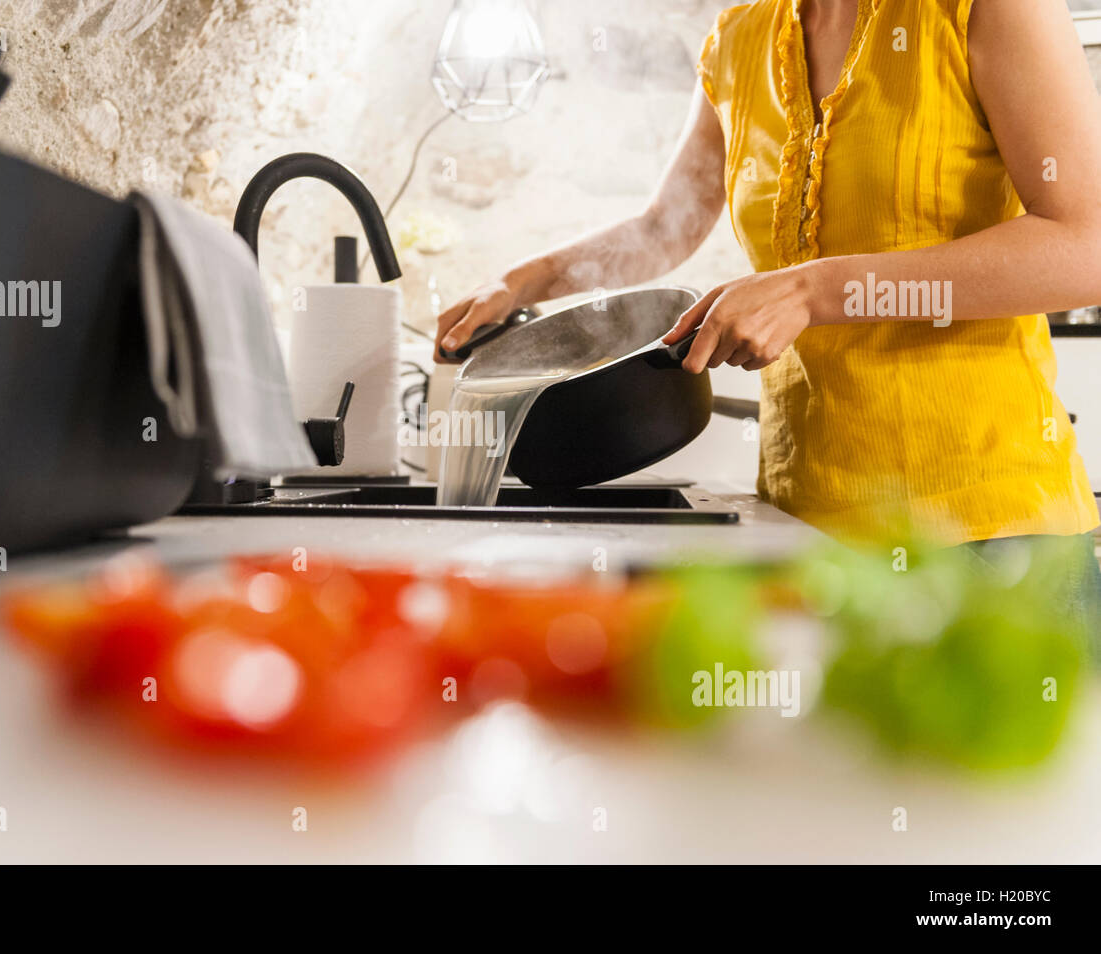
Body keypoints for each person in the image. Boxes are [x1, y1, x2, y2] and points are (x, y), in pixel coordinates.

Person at [435, 0, 1101, 634]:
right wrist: (521, 281)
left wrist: (814, 290)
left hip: (990, 538)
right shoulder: (740, 39)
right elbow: (666, 226)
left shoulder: (985, 10)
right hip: (805, 533)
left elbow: (1085, 244)